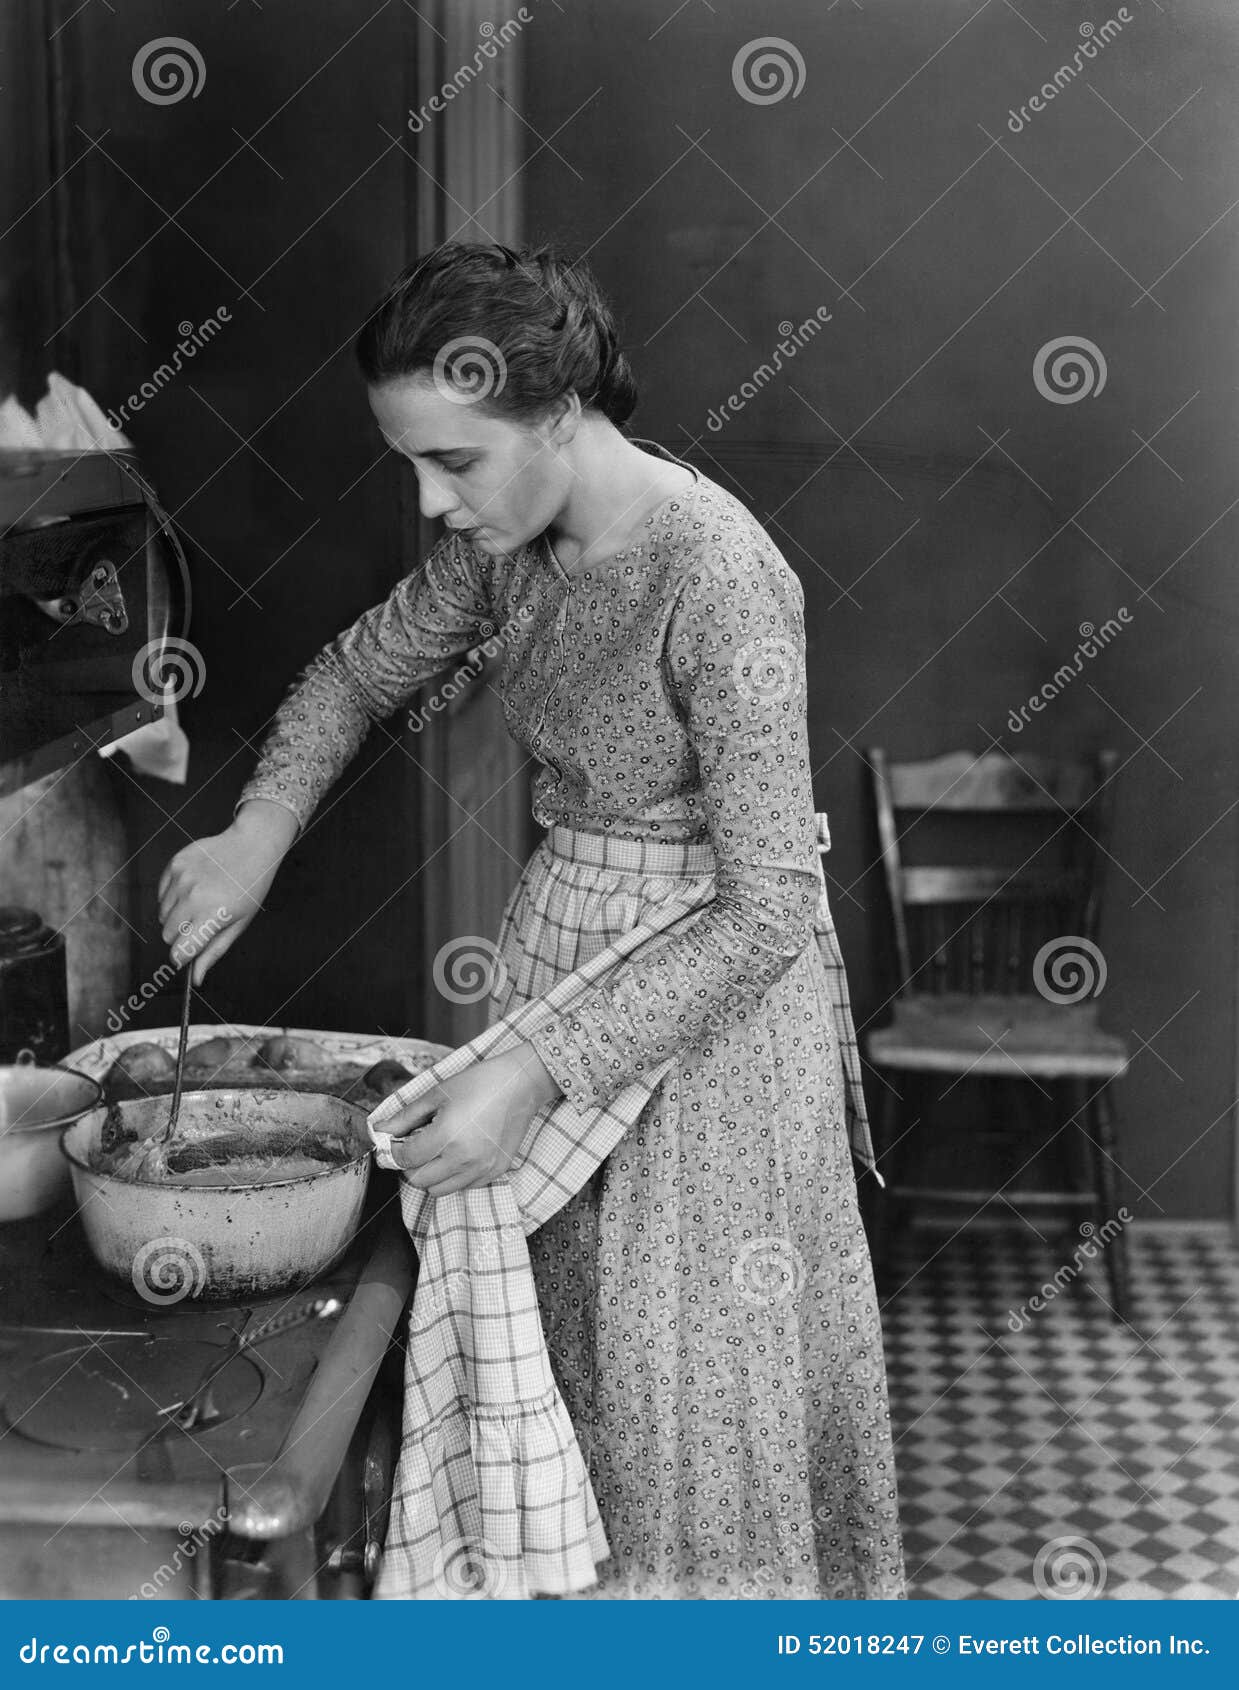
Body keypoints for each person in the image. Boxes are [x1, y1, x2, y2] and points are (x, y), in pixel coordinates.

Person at [159, 239, 906, 1600]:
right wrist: (257, 831)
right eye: (412, 464)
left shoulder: (718, 575)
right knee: (562, 1364)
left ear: (561, 413)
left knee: (679, 1389)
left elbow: (768, 913)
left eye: (456, 460)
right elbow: (353, 676)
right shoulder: (509, 551)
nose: (432, 501)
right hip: (564, 958)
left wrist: (533, 1070)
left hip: (709, 1025)